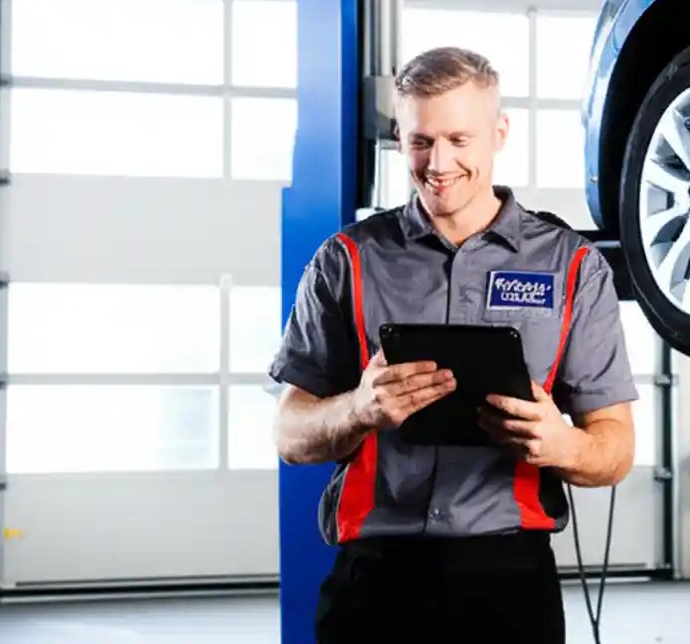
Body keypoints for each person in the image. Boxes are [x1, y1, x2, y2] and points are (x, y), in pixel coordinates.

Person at [268, 45, 638, 644]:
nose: (437, 163)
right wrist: (358, 409)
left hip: (510, 585)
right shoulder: (348, 262)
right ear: (399, 135)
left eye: (459, 141)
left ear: (499, 133)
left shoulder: (573, 268)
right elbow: (289, 435)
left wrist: (562, 443)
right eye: (420, 141)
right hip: (373, 586)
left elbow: (615, 448)